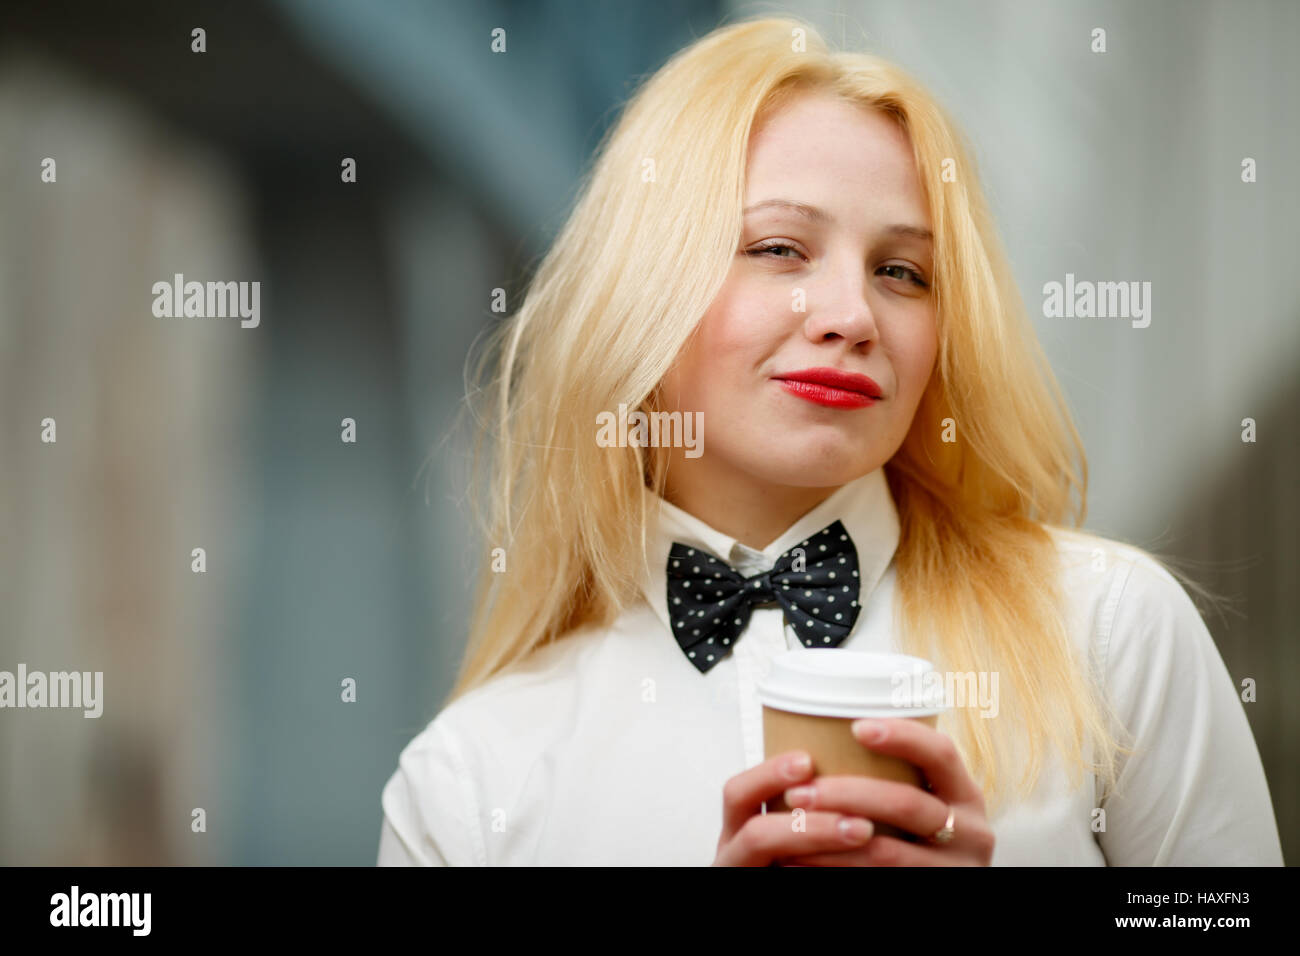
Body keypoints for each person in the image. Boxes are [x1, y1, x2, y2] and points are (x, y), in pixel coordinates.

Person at [377, 16, 1283, 866]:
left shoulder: (1111, 631)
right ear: (639, 290)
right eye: (779, 249)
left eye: (903, 272)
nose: (852, 316)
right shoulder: (467, 782)